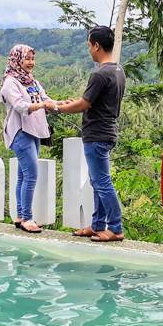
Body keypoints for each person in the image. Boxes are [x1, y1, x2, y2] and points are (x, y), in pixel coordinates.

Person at [53, 26, 127, 242]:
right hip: (108, 131)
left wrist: (58, 107)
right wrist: (71, 103)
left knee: (102, 182)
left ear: (96, 45)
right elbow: (95, 102)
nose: (89, 50)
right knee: (97, 181)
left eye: (89, 45)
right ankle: (97, 224)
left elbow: (84, 104)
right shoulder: (118, 70)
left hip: (96, 134)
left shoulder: (99, 73)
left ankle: (115, 228)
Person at [0, 44, 53, 234]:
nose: (31, 63)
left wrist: (60, 104)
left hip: (34, 131)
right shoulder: (10, 83)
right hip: (20, 132)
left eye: (32, 59)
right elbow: (21, 106)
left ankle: (21, 216)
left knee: (23, 176)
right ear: (17, 60)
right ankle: (27, 218)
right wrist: (42, 105)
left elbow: (45, 98)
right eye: (27, 59)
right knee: (31, 175)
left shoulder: (32, 81)